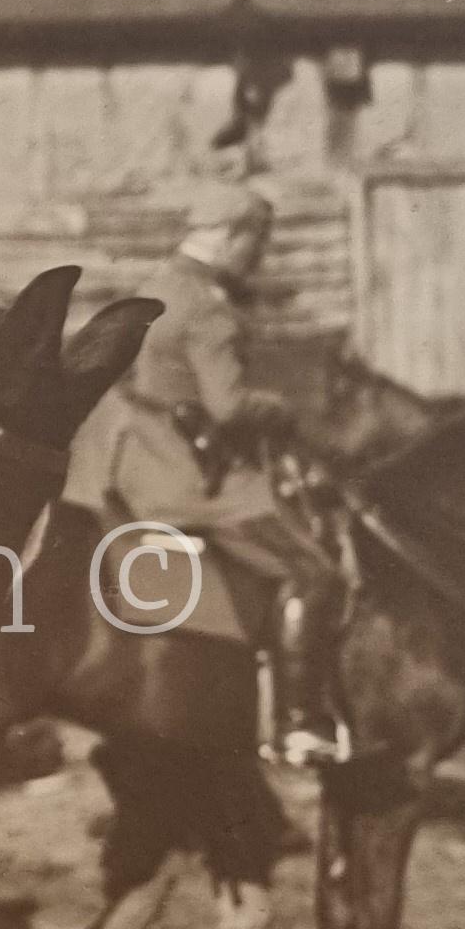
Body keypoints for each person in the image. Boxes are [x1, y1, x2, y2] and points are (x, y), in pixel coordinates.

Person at [68, 182, 349, 766]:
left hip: (136, 461)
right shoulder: (207, 307)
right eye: (257, 243)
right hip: (193, 479)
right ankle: (298, 722)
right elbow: (227, 406)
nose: (259, 257)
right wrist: (281, 407)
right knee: (315, 572)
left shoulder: (158, 286)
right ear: (234, 238)